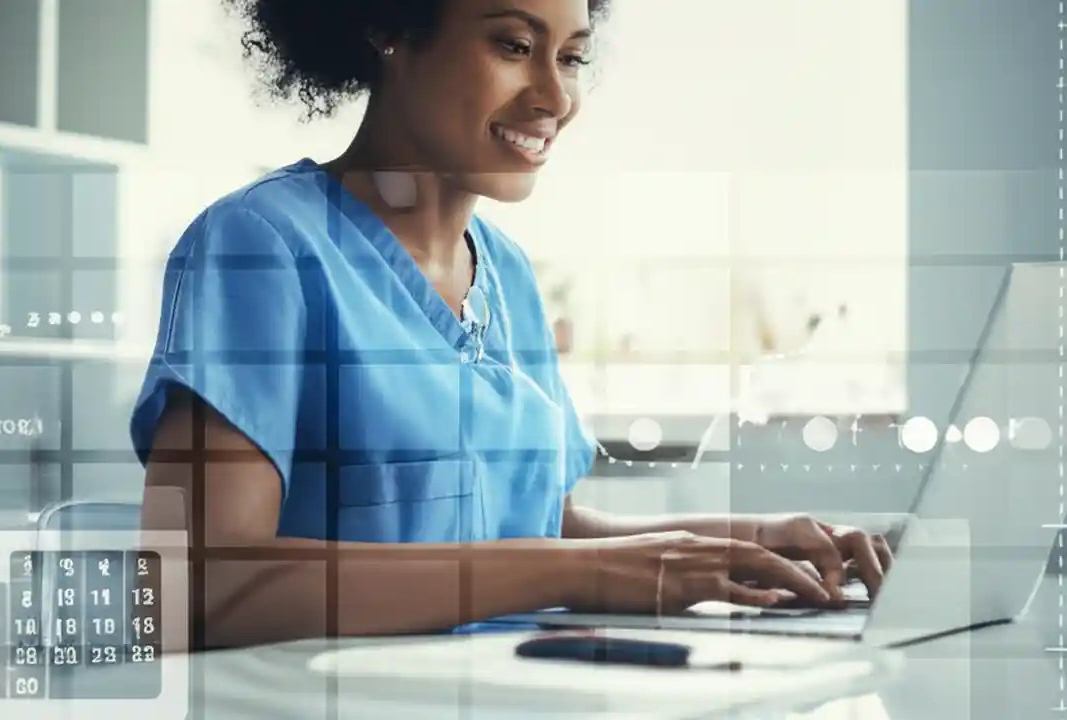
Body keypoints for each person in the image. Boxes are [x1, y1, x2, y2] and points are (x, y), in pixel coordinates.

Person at [131, 0, 893, 647]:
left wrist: (745, 543)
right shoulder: (263, 245)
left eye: (572, 58)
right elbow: (193, 583)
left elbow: (537, 530)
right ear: (389, 26)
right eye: (515, 47)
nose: (556, 97)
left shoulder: (508, 274)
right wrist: (580, 571)